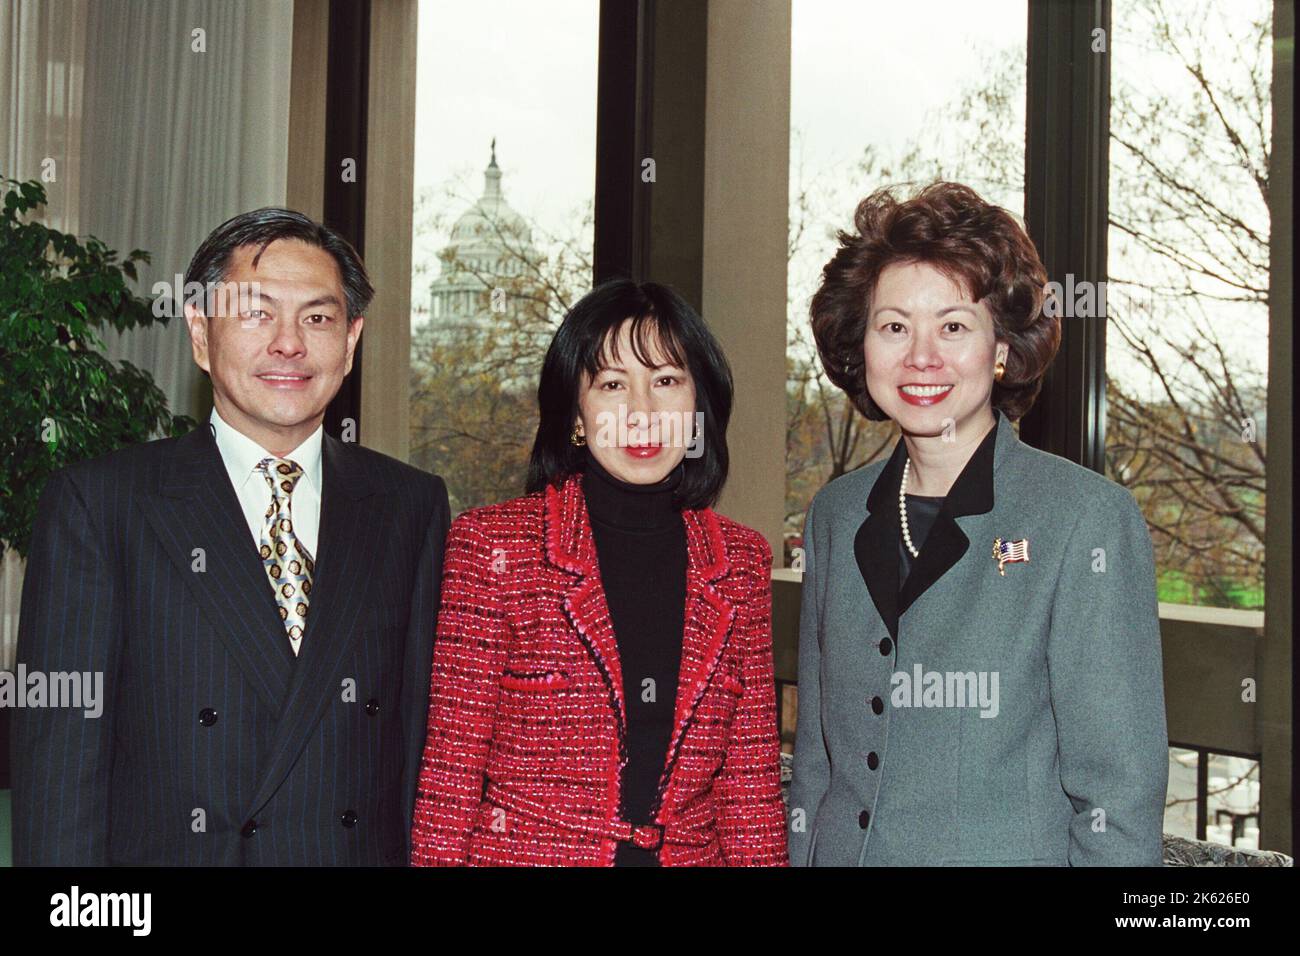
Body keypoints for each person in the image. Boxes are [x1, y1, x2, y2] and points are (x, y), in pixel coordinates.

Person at [11, 208, 450, 865]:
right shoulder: (102, 505)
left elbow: (425, 749)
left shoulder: (410, 505)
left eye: (318, 317)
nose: (289, 344)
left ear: (352, 339)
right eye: (256, 312)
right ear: (199, 332)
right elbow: (60, 776)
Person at [787, 182, 1168, 866]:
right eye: (894, 326)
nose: (921, 357)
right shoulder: (835, 516)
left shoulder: (1084, 522)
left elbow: (1120, 798)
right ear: (862, 346)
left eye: (954, 326)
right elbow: (817, 765)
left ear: (1002, 347)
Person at [410, 279, 788, 866]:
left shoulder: (739, 561)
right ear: (576, 416)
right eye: (612, 385)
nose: (641, 413)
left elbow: (750, 790)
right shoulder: (492, 547)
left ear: (697, 410)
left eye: (665, 381)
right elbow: (451, 776)